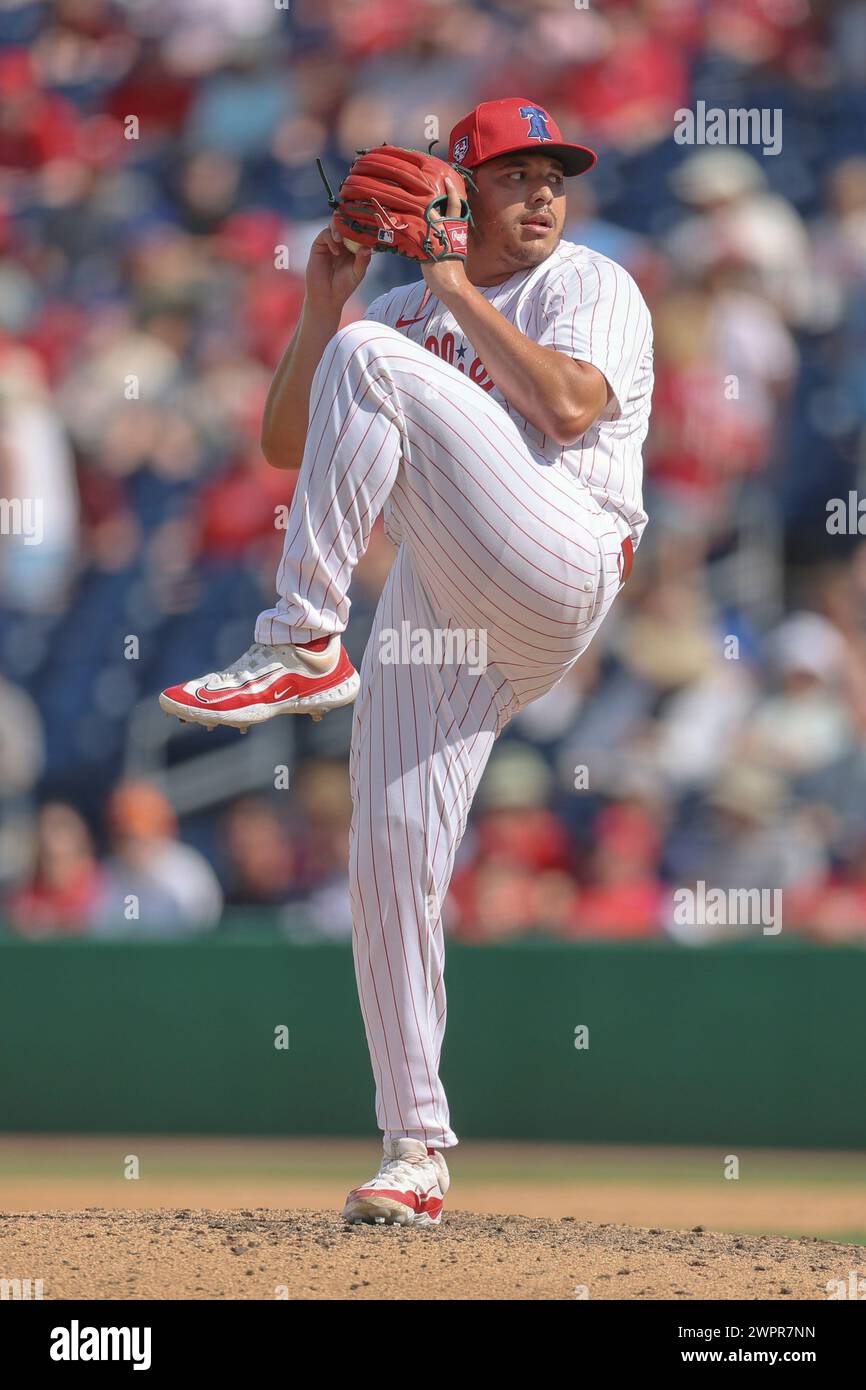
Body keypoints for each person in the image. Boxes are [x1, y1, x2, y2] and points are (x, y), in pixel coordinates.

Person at [159, 98, 653, 1225]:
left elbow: (571, 410)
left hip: (563, 547)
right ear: (455, 187)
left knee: (377, 356)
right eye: (514, 172)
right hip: (445, 592)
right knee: (385, 860)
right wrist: (324, 300)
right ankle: (414, 1151)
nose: (542, 193)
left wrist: (444, 288)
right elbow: (287, 445)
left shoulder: (587, 284)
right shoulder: (386, 307)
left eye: (554, 175)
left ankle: (299, 641)